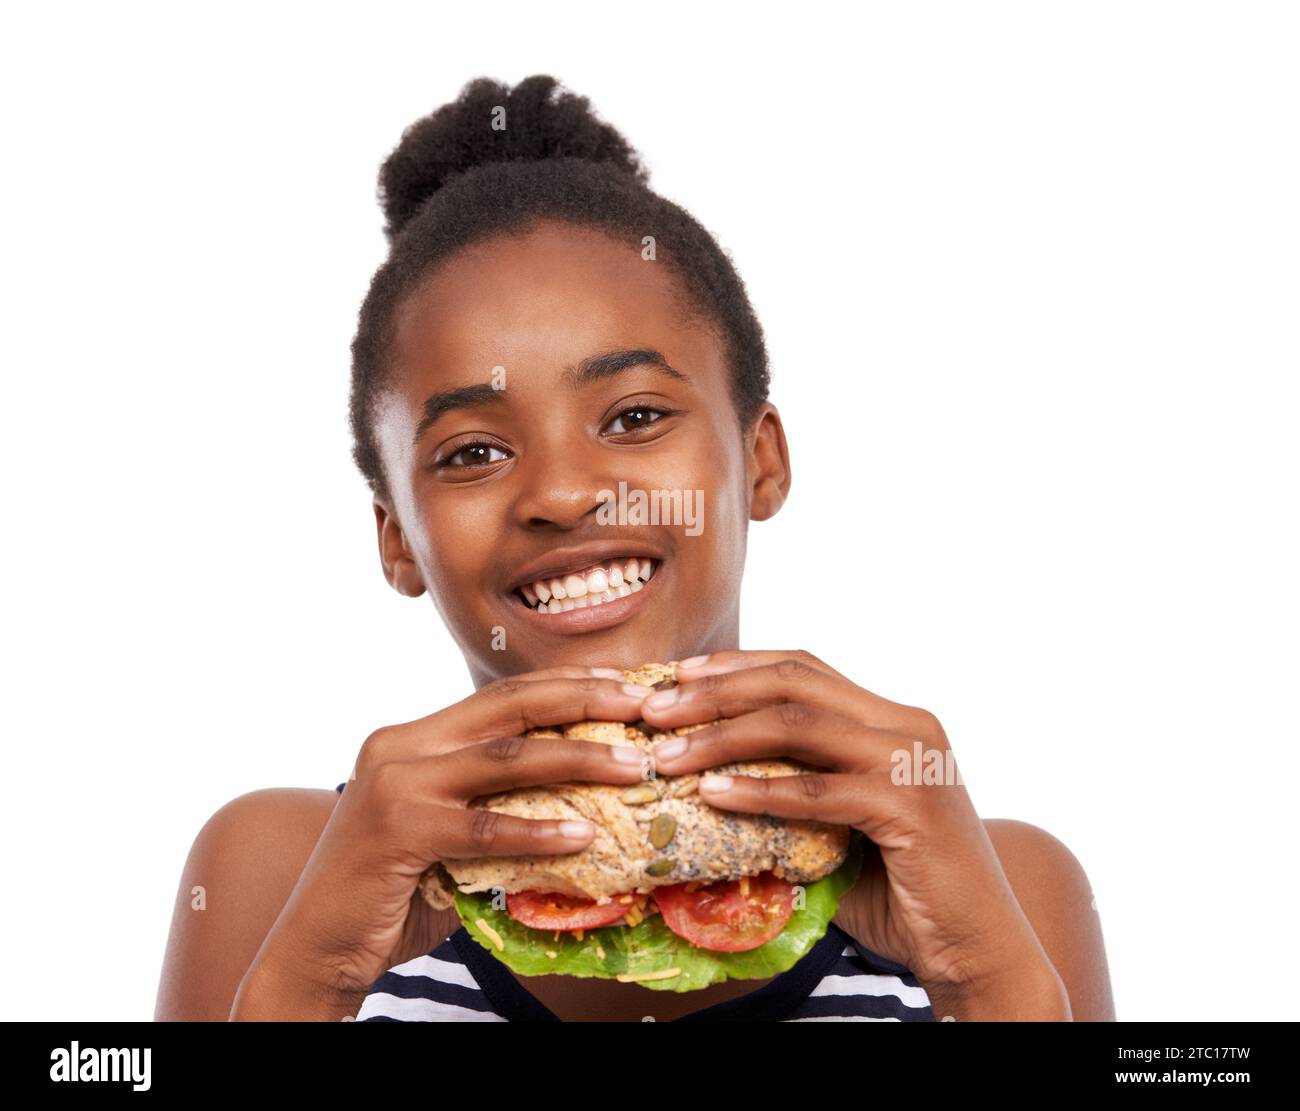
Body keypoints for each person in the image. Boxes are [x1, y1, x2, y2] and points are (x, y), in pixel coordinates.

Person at [154, 75, 1115, 1022]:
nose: (564, 493)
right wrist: (309, 986)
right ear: (397, 536)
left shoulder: (1001, 888)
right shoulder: (280, 872)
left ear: (761, 457)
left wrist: (986, 979)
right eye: (474, 451)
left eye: (636, 416)